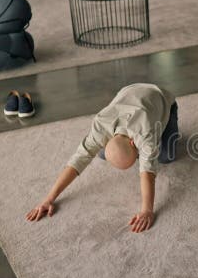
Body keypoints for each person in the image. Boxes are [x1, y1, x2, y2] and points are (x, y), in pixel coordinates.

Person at [26, 83, 179, 233]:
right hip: (129, 90)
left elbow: (148, 173)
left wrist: (147, 210)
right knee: (100, 153)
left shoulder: (145, 134)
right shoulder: (101, 125)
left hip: (161, 97)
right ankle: (127, 151)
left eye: (138, 154)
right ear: (109, 139)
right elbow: (79, 159)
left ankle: (164, 128)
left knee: (166, 156)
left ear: (134, 142)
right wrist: (49, 199)